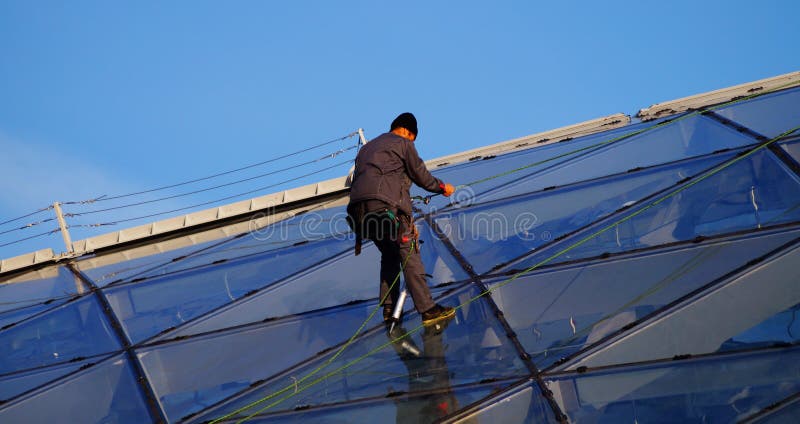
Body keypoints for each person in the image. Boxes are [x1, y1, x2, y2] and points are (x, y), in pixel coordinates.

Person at [347, 112, 456, 326]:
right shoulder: (403, 143)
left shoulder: (366, 149)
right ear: (407, 131)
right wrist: (442, 187)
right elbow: (420, 175)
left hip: (358, 213)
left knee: (389, 252)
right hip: (386, 208)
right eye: (412, 138)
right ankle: (428, 309)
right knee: (409, 252)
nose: (411, 142)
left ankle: (389, 308)